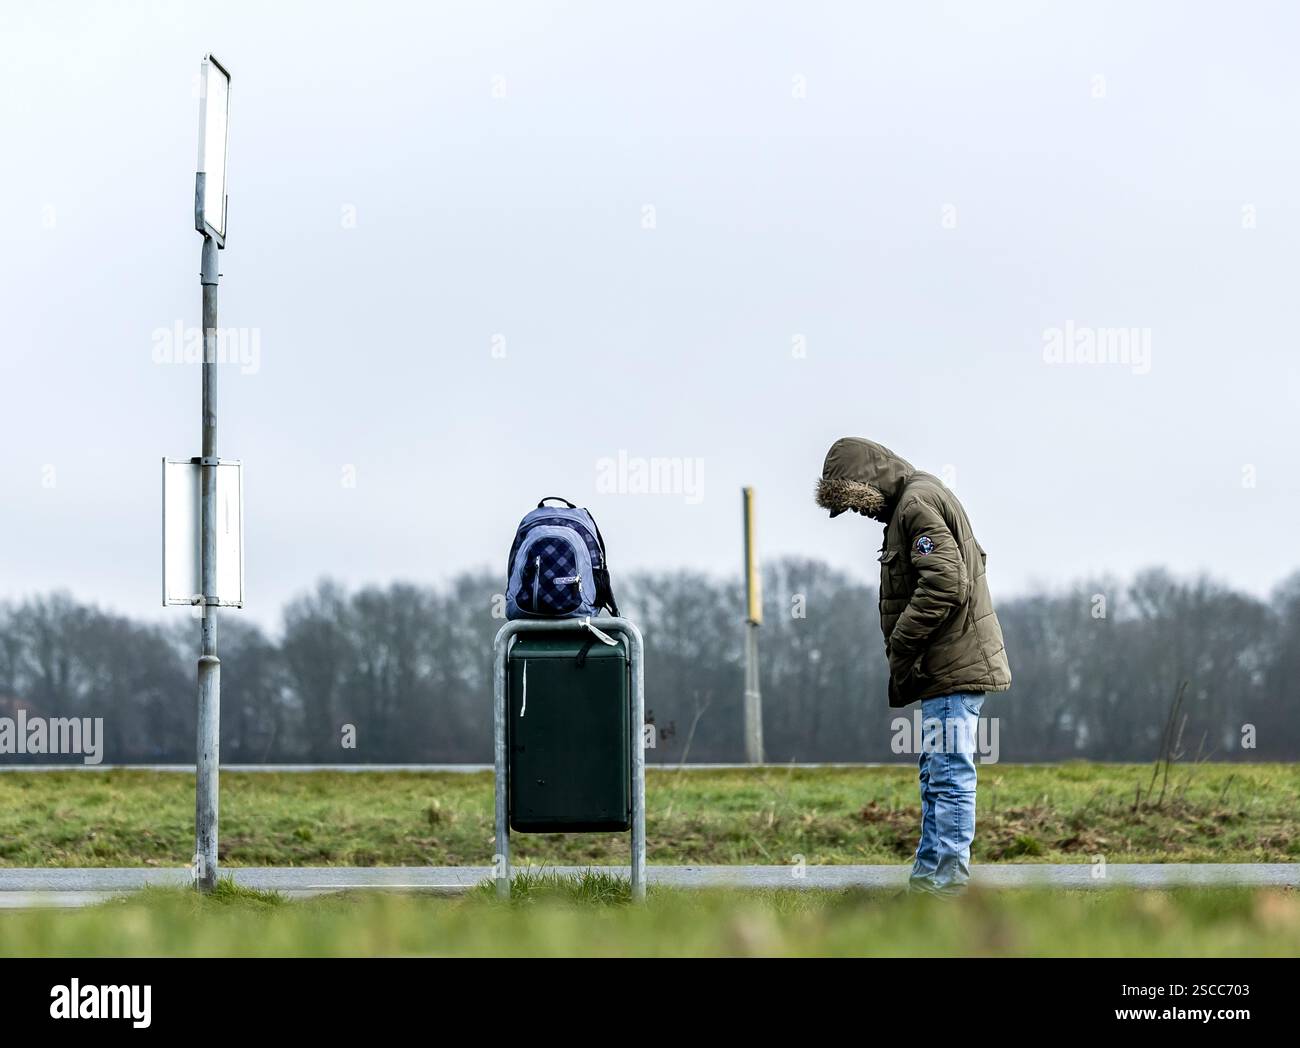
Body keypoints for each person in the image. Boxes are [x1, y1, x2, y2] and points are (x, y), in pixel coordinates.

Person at [815, 437, 1011, 895]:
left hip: (949, 666)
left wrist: (904, 638)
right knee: (936, 775)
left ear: (866, 483)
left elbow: (945, 581)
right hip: (943, 667)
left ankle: (947, 887)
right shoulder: (916, 498)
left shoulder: (914, 504)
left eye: (855, 503)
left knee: (948, 775)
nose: (860, 514)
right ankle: (928, 883)